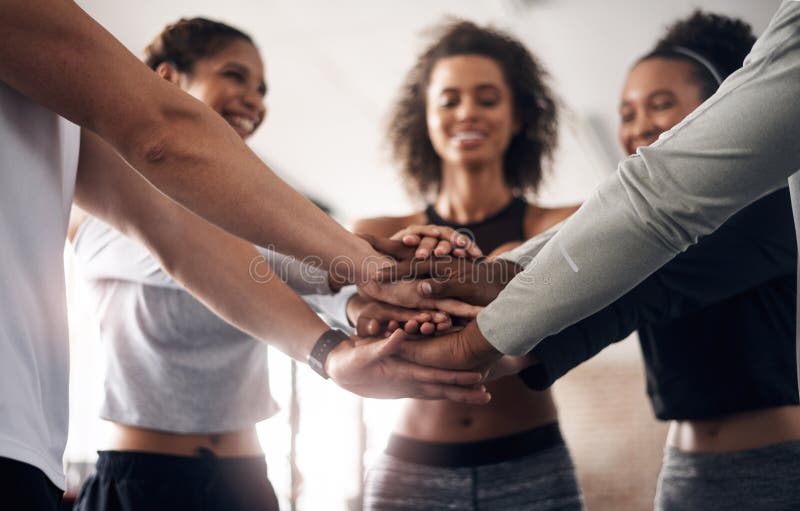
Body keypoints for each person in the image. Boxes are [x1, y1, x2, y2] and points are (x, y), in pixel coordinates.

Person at [0, 3, 487, 509]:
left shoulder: (252, 226)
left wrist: (361, 308)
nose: (253, 99)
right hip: (140, 478)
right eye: (234, 75)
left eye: (261, 88)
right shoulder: (97, 201)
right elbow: (213, 251)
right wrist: (363, 265)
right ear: (166, 79)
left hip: (241, 478)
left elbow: (231, 259)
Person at [355, 21, 583, 510]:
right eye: (449, 100)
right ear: (426, 118)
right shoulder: (383, 234)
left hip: (530, 467)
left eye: (487, 98)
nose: (467, 113)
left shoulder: (562, 225)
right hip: (411, 472)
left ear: (517, 116)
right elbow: (349, 318)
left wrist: (514, 268)